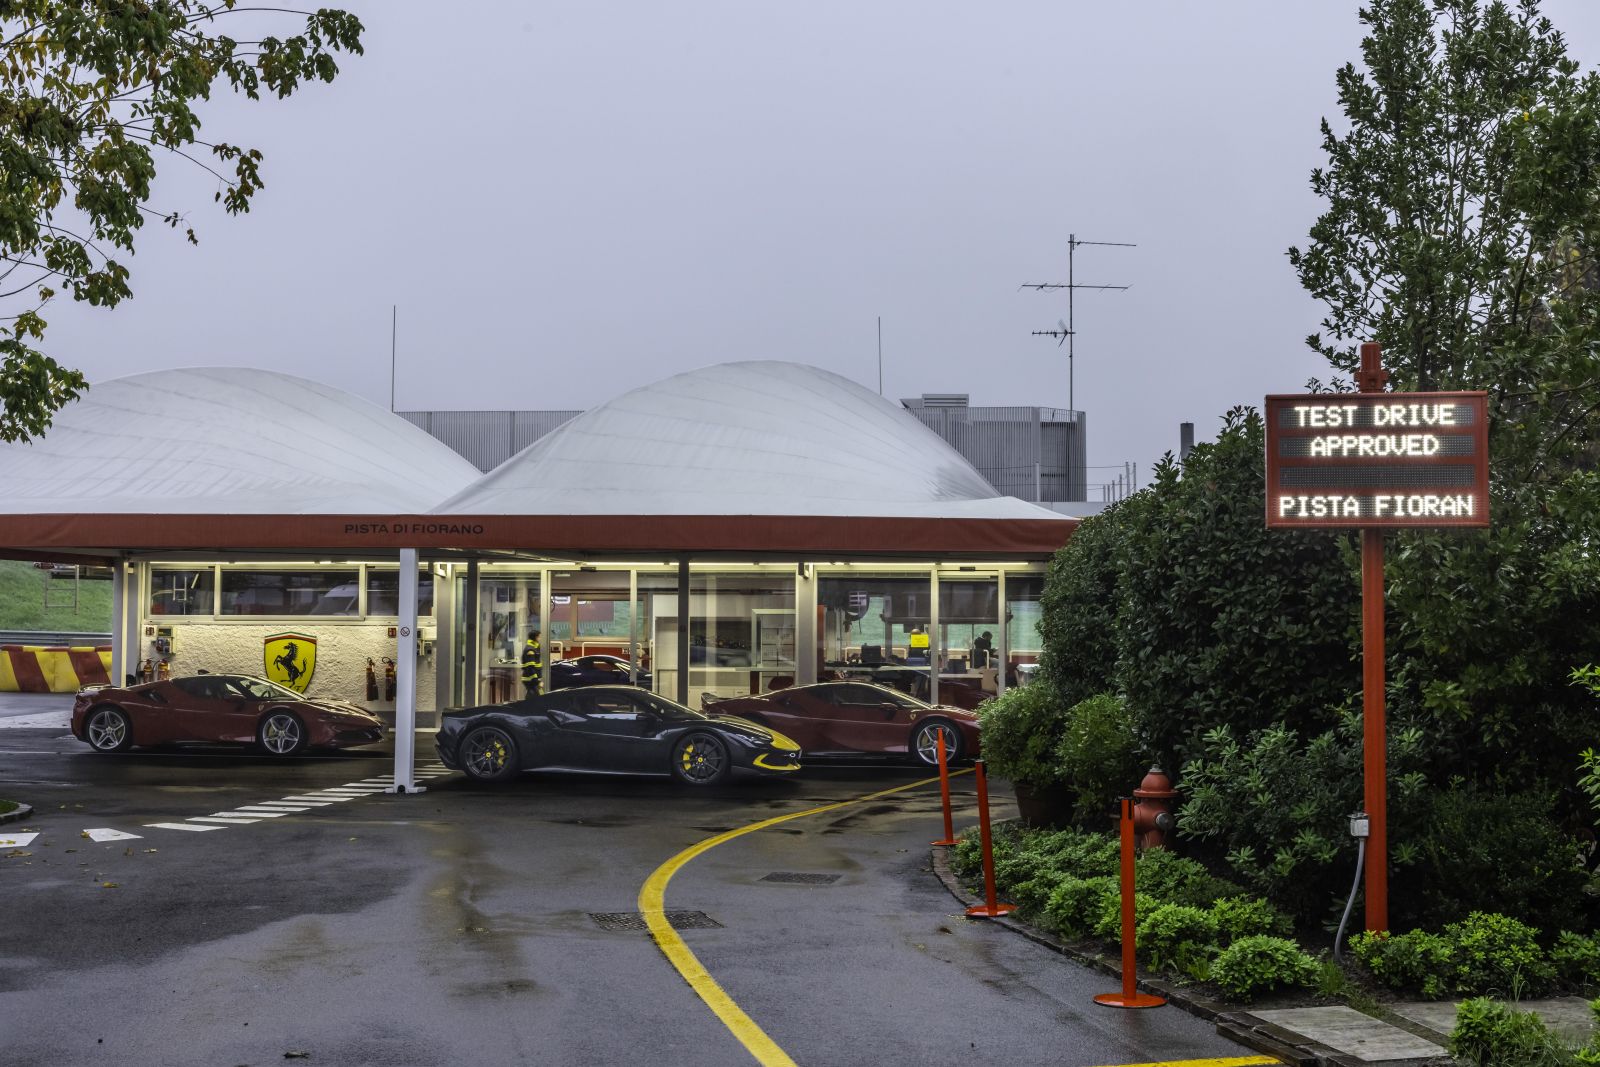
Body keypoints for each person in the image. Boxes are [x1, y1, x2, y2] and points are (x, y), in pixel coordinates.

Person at [520, 628, 543, 698]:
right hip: (531, 680)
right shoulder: (530, 650)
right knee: (534, 698)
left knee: (537, 696)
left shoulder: (534, 648)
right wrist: (537, 682)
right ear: (535, 637)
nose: (540, 638)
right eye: (539, 637)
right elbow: (530, 668)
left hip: (532, 679)